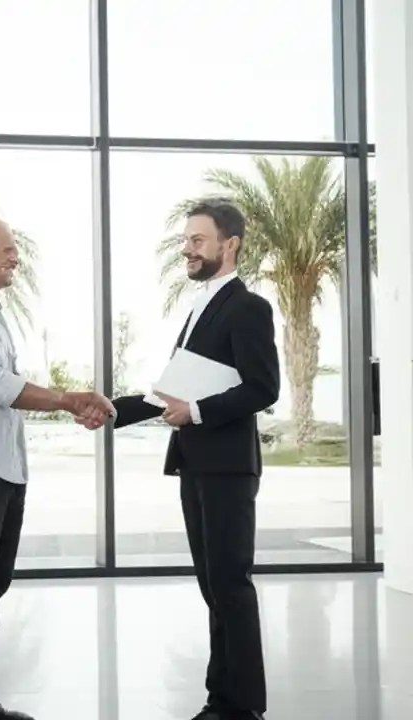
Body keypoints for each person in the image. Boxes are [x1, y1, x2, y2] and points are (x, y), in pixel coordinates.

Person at [0, 216, 113, 720]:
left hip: (5, 468)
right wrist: (69, 400)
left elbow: (6, 384)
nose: (15, 258)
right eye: (7, 250)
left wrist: (63, 401)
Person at [111, 198, 279, 720]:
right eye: (186, 240)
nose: (187, 249)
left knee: (230, 584)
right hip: (198, 464)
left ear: (230, 246)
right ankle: (220, 698)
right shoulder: (201, 307)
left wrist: (199, 412)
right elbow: (173, 393)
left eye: (197, 240)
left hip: (228, 466)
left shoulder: (248, 307)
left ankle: (242, 706)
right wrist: (106, 409)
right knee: (214, 586)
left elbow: (263, 387)